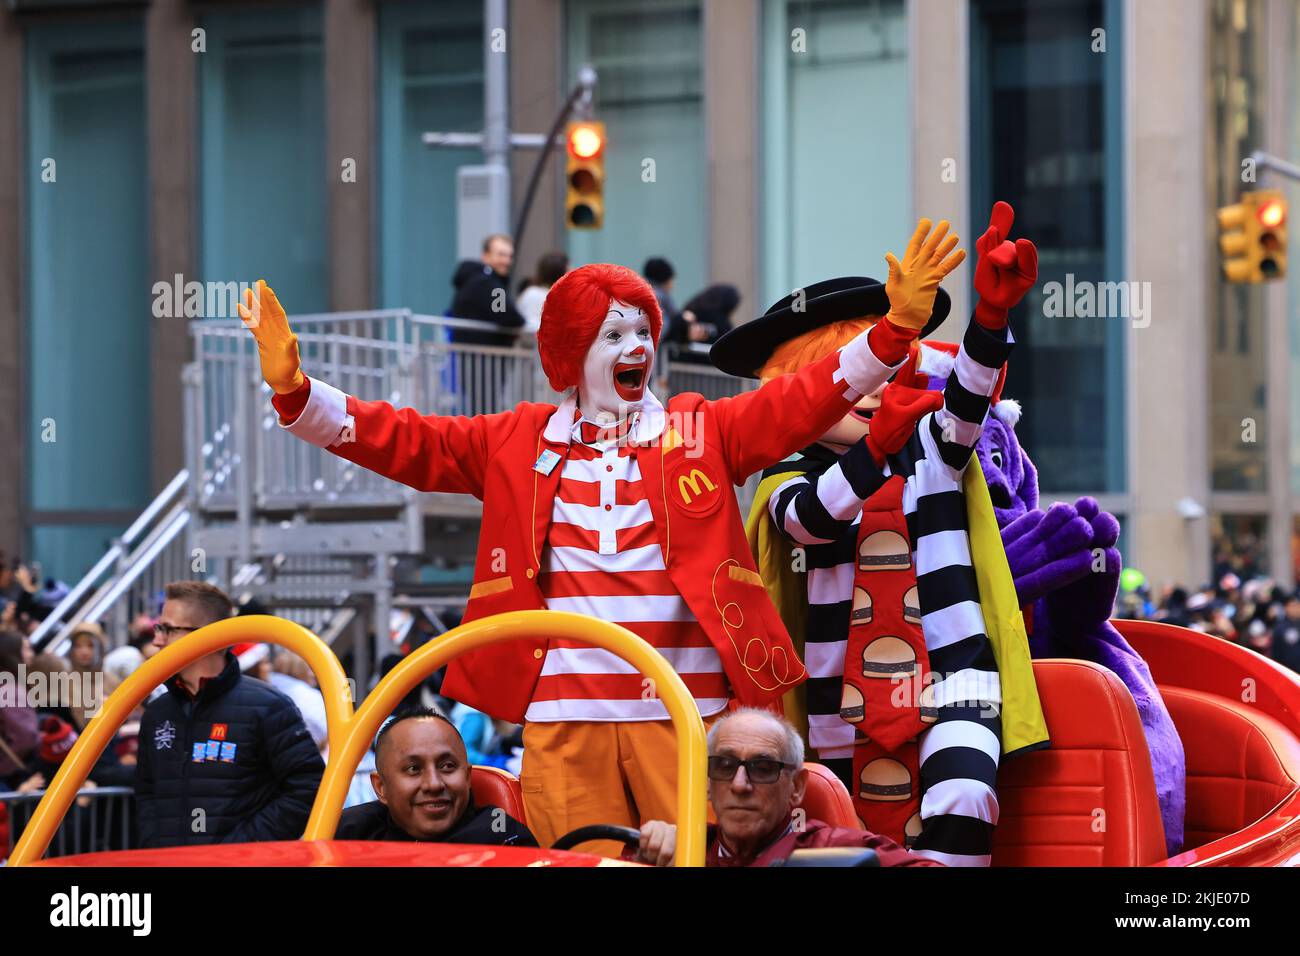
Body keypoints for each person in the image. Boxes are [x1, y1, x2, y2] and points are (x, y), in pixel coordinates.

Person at [240, 246, 930, 855]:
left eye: (642, 331)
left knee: (702, 856)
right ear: (571, 354)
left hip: (686, 712)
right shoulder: (512, 440)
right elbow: (406, 440)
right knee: (575, 861)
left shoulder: (701, 427)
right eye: (612, 333)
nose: (635, 346)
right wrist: (297, 393)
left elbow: (803, 400)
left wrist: (893, 333)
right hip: (565, 721)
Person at [729, 206, 1044, 866]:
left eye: (884, 368)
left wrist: (989, 322)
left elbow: (966, 403)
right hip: (830, 701)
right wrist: (873, 449)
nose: (870, 392)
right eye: (848, 378)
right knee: (841, 838)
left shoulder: (934, 447)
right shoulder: (782, 477)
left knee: (963, 793)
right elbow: (812, 520)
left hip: (953, 680)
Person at [134, 580, 324, 848]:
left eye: (168, 629)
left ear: (207, 636)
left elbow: (309, 788)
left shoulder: (268, 706)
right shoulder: (158, 712)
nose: (157, 640)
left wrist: (243, 849)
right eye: (157, 628)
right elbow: (147, 794)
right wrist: (155, 848)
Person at [633, 708, 939, 867]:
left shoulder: (834, 850)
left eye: (763, 768)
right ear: (708, 783)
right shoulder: (682, 850)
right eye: (724, 767)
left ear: (796, 787)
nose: (740, 785)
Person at [336, 706, 536, 846]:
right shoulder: (349, 833)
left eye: (447, 766)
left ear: (467, 777)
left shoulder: (501, 838)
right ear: (381, 788)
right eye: (413, 769)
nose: (433, 784)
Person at [447, 233, 526, 347]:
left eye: (510, 256)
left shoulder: (475, 279)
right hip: (483, 355)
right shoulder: (487, 283)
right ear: (485, 256)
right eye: (501, 255)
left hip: (472, 355)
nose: (507, 261)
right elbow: (507, 316)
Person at [516, 251, 569, 337]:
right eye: (568, 269)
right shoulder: (553, 296)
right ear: (559, 272)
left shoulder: (529, 292)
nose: (572, 271)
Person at [642, 257, 679, 345]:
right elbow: (661, 330)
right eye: (671, 279)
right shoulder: (658, 298)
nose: (672, 285)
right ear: (665, 280)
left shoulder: (642, 293)